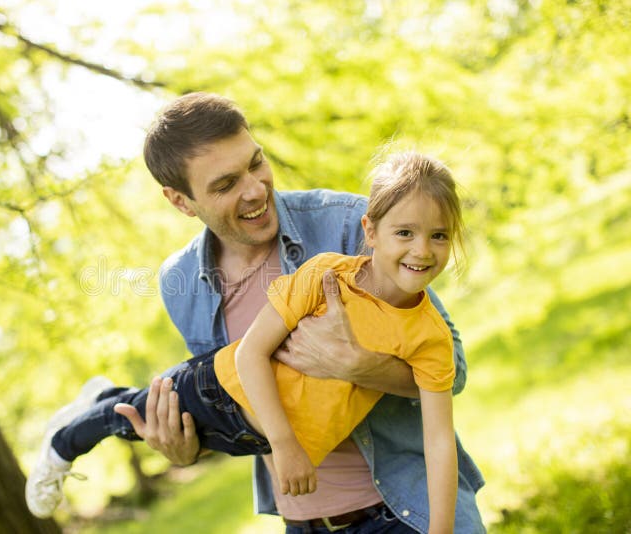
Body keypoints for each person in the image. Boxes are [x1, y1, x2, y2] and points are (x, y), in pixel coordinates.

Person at [26, 93, 485, 532]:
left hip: (403, 506)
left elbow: (453, 371)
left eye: (256, 163)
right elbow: (234, 405)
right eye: (226, 184)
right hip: (304, 519)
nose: (255, 189)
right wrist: (185, 450)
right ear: (181, 201)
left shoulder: (348, 223)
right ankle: (95, 413)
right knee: (144, 409)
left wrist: (358, 366)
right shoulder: (182, 281)